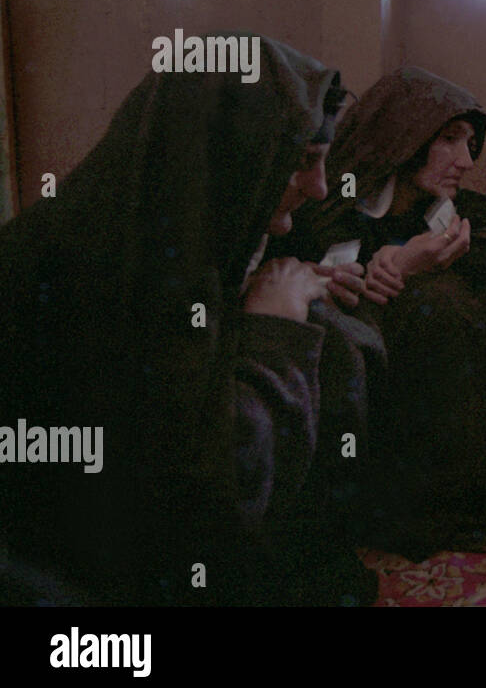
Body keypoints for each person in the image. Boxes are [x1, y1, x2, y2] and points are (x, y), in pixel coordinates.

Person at [0, 33, 375, 606]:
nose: (320, 188)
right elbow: (205, 488)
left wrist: (280, 286)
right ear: (235, 151)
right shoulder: (80, 271)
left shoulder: (166, 219)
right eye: (301, 162)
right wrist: (273, 329)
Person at [274, 67, 486, 559]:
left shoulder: (441, 203)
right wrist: (375, 273)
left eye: (470, 143)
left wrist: (437, 255)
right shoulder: (339, 199)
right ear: (404, 136)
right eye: (448, 140)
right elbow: (309, 277)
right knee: (442, 307)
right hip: (374, 379)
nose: (465, 160)